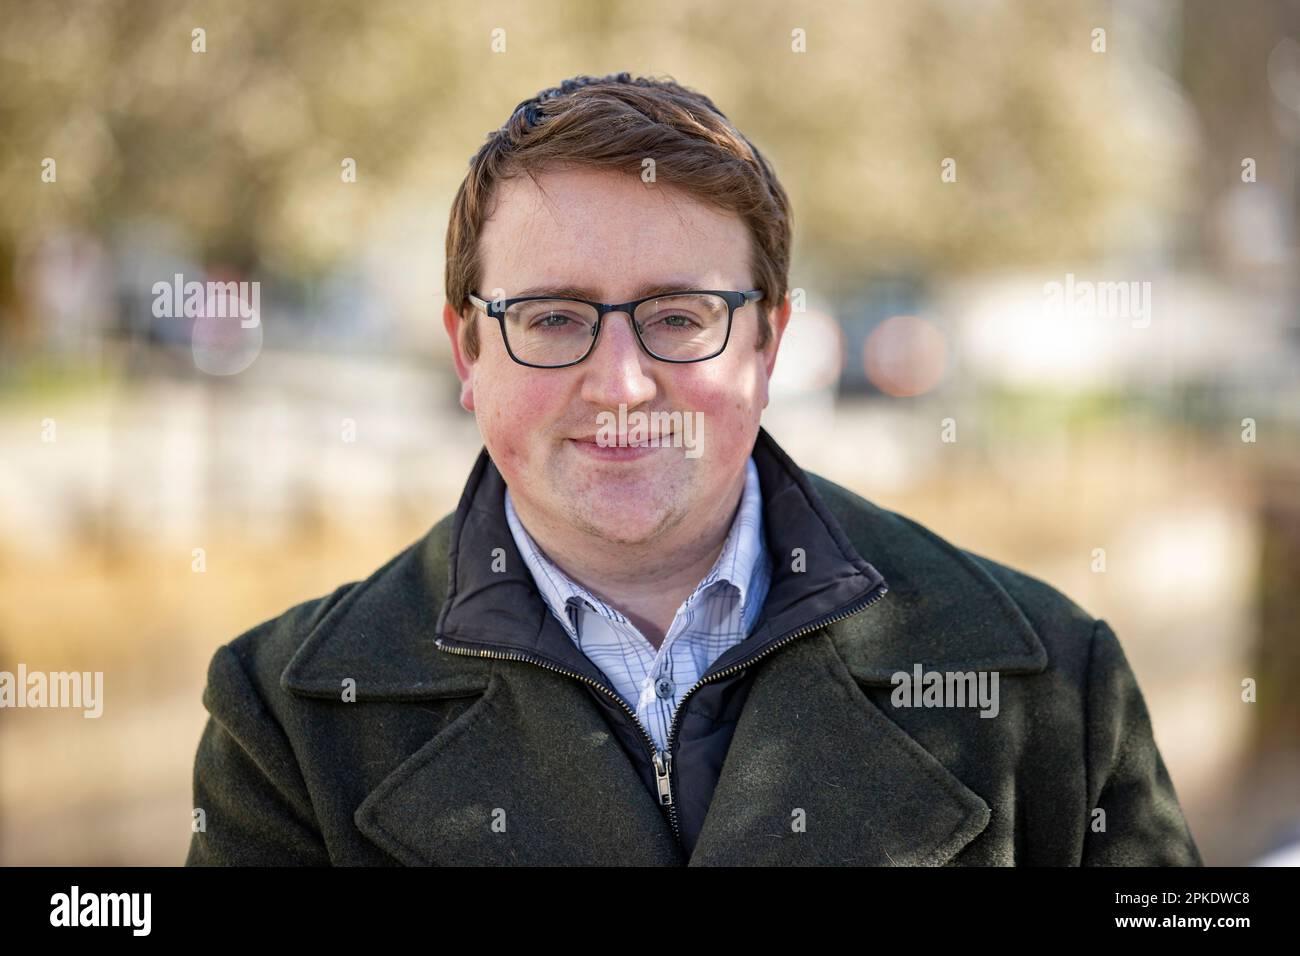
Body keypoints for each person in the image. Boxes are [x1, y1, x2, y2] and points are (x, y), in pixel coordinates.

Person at [185, 72, 1203, 866]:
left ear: (767, 346)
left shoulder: (1049, 681)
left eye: (679, 317)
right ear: (468, 353)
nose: (621, 384)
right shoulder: (289, 717)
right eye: (552, 318)